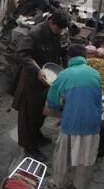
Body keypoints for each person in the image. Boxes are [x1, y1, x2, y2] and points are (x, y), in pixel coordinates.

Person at [13, 10, 70, 157]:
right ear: (51, 22)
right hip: (32, 80)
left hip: (50, 78)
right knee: (28, 115)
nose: (61, 31)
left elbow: (64, 50)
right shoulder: (36, 34)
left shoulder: (60, 33)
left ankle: (37, 135)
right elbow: (22, 54)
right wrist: (37, 71)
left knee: (40, 113)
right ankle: (29, 146)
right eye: (58, 28)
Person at [45, 55, 104, 189]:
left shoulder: (64, 75)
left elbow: (53, 101)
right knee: (85, 157)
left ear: (69, 58)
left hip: (71, 122)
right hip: (92, 122)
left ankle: (59, 185)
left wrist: (60, 105)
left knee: (63, 156)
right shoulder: (95, 74)